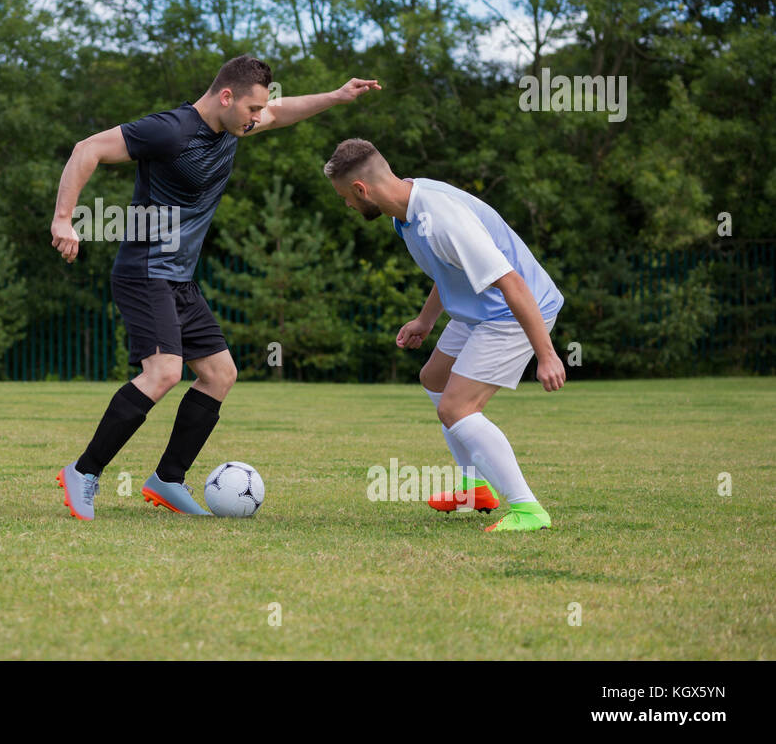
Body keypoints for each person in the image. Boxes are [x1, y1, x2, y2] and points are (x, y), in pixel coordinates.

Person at [50, 55, 380, 519]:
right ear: (226, 97)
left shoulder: (234, 126)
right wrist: (64, 219)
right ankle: (83, 472)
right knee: (163, 372)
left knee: (220, 375)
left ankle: (167, 479)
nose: (257, 119)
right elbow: (87, 149)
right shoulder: (170, 130)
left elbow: (281, 112)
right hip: (146, 271)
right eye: (251, 110)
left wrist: (337, 96)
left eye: (259, 111)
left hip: (179, 279)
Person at [323, 138, 564, 532]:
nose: (347, 206)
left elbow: (513, 283)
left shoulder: (442, 220)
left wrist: (547, 355)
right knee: (433, 378)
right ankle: (475, 489)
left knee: (456, 409)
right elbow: (448, 271)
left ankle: (528, 510)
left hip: (512, 312)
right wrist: (425, 321)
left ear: (361, 190)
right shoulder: (404, 213)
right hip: (479, 310)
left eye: (345, 198)